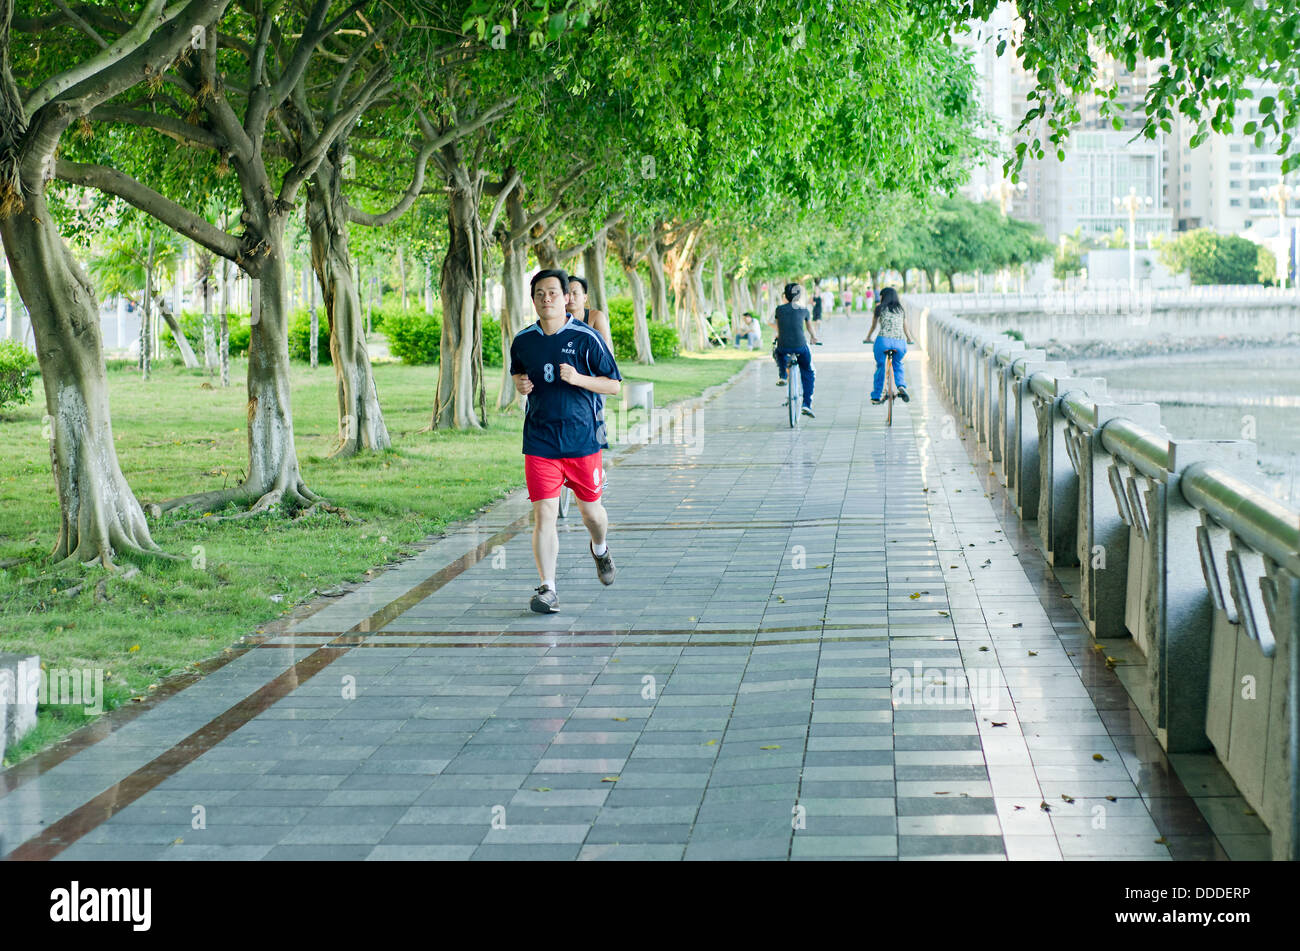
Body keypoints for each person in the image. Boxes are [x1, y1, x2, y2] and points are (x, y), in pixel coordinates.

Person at [511, 269, 622, 613]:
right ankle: (548, 588)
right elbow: (519, 369)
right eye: (540, 294)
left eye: (553, 293)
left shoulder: (587, 337)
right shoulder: (523, 340)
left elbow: (614, 384)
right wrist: (520, 384)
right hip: (541, 441)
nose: (547, 299)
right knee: (544, 514)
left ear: (566, 298)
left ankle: (600, 549)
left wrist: (579, 378)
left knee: (592, 514)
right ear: (533, 300)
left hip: (581, 440)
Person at [768, 282, 818, 418]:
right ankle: (806, 404)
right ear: (799, 296)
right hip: (801, 346)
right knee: (808, 371)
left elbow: (779, 328)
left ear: (786, 295)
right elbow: (809, 328)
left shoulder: (779, 310)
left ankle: (783, 375)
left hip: (783, 345)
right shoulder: (804, 310)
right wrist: (814, 338)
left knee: (779, 352)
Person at [863, 286, 916, 404]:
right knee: (897, 364)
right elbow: (905, 327)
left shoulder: (879, 308)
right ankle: (901, 386)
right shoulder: (900, 309)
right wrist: (909, 339)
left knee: (881, 366)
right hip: (900, 343)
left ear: (884, 296)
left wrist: (868, 337)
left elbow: (873, 326)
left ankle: (877, 395)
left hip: (883, 341)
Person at [566, 276, 614, 355]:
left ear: (585, 298)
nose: (571, 298)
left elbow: (605, 351)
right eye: (567, 293)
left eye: (575, 293)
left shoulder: (596, 317)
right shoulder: (557, 319)